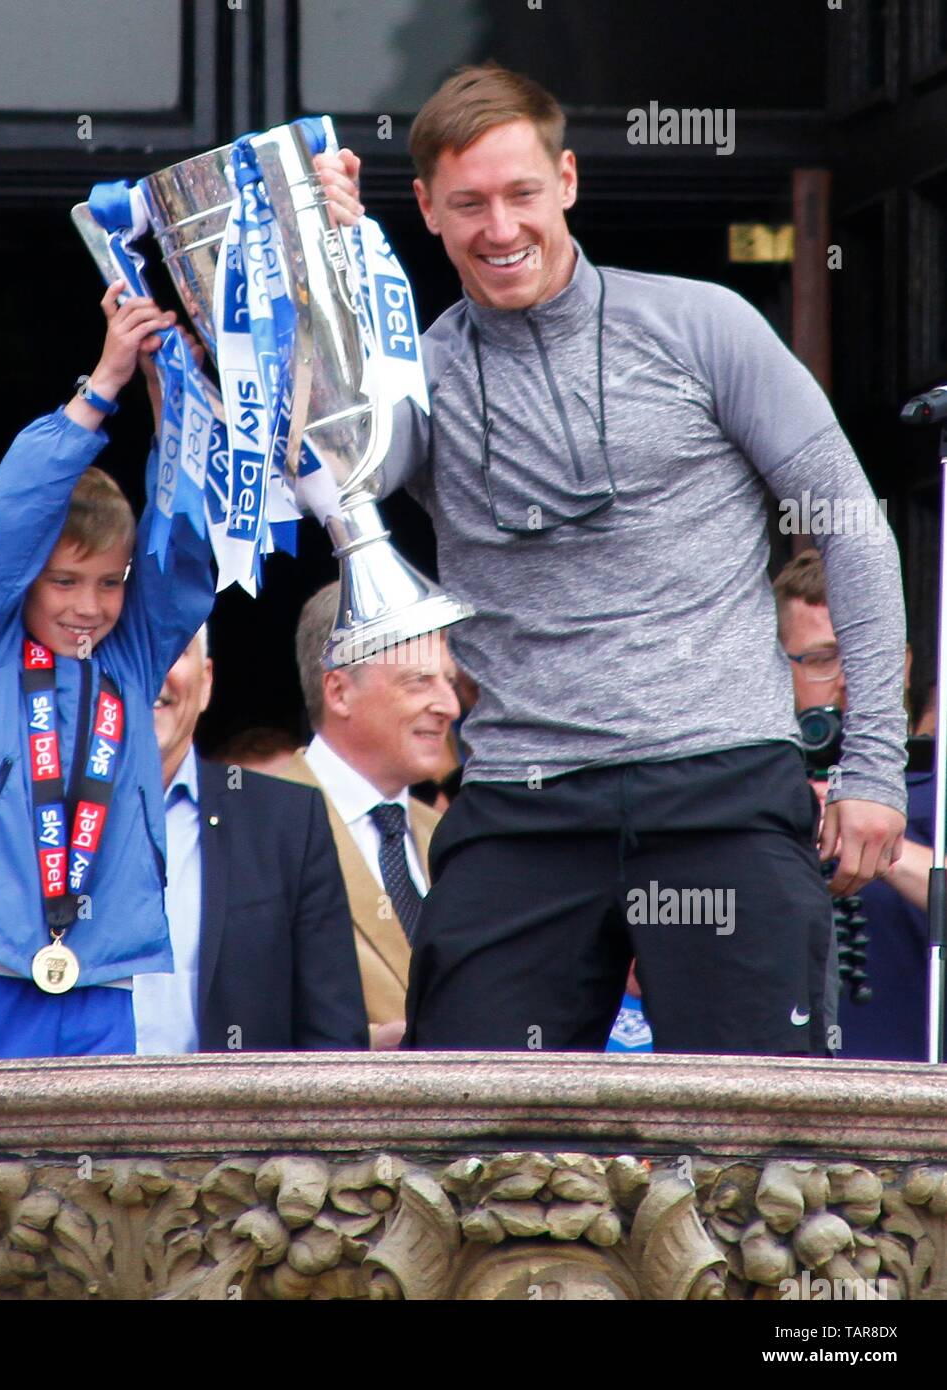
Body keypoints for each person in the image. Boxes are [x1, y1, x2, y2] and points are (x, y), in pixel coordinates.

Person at [320, 63, 907, 1054]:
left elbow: (850, 526)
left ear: (569, 181)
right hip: (522, 803)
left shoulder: (703, 324)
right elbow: (324, 462)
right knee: (457, 1134)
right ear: (424, 207)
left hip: (719, 786)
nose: (500, 228)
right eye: (468, 204)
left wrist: (875, 768)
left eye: (521, 194)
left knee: (758, 1149)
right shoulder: (414, 372)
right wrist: (319, 260)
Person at [0, 283, 216, 1061]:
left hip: (101, 971)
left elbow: (186, 556)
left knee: (99, 1185)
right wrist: (101, 388)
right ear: (26, 580)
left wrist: (177, 414)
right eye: (63, 582)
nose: (89, 608)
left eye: (109, 582)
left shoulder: (130, 659)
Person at [130, 628, 367, 1052]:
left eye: (172, 648)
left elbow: (332, 1042)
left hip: (236, 1117)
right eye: (130, 647)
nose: (152, 669)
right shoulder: (33, 819)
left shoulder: (287, 822)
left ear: (206, 683)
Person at [280, 581, 458, 1049]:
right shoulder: (256, 827)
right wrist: (365, 1045)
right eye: (420, 680)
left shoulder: (451, 837)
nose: (449, 706)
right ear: (338, 692)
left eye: (450, 683)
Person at [774, 549, 932, 1061]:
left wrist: (875, 840)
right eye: (822, 660)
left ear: (903, 665)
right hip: (777, 1097)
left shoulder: (940, 786)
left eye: (866, 657)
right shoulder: (749, 797)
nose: (847, 679)